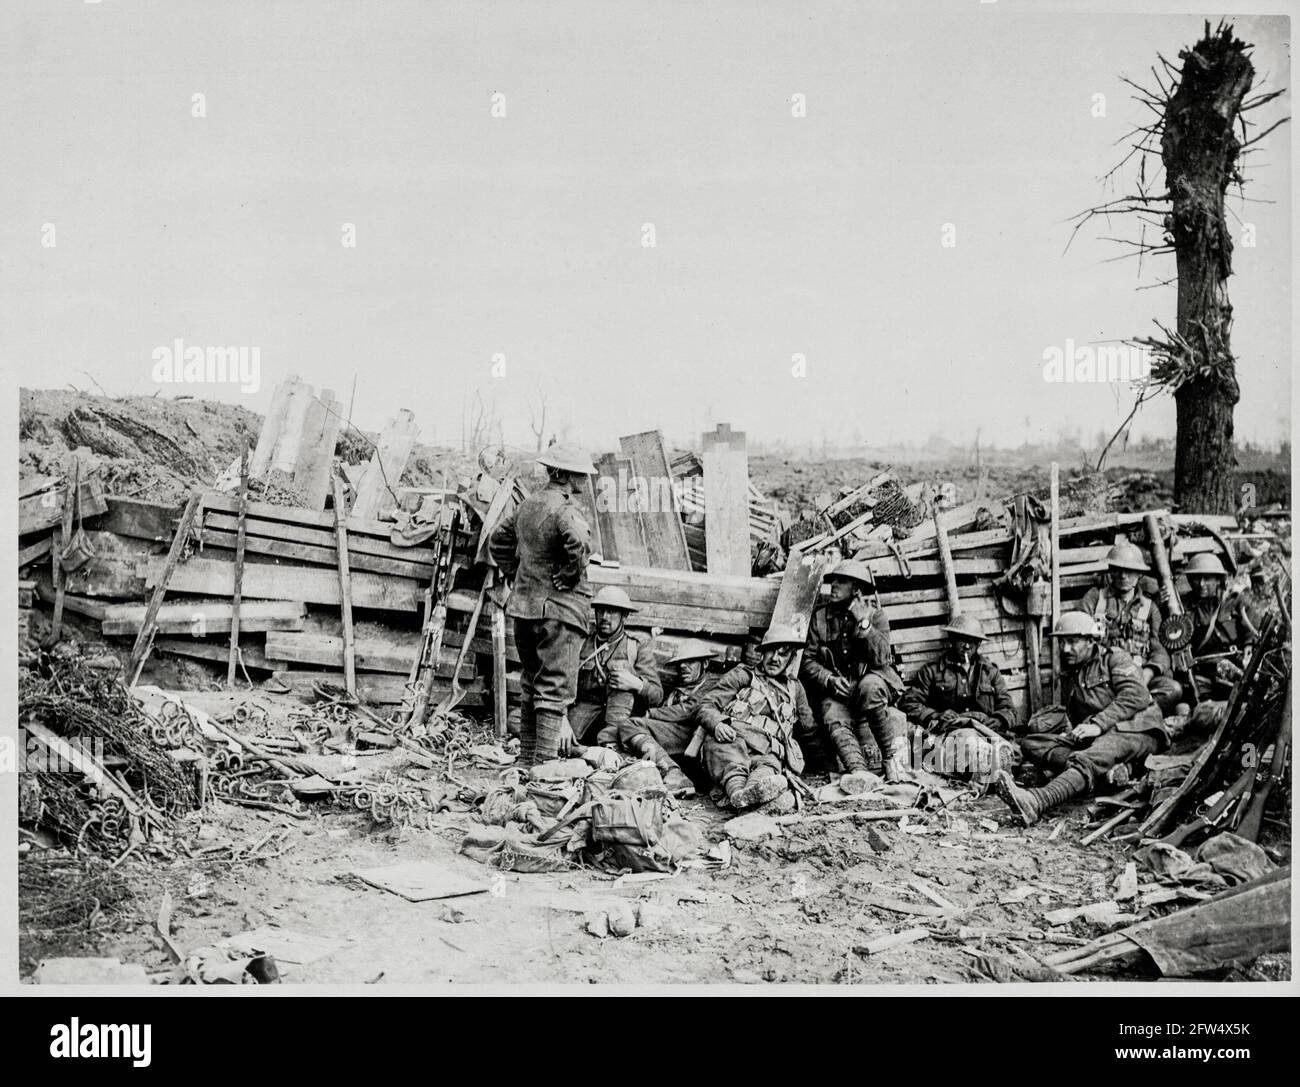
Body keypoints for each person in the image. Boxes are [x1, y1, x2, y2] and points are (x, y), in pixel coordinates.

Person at [994, 612, 1167, 826]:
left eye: (1073, 641)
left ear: (1091, 640)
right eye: (1062, 642)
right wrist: (1076, 732)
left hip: (1138, 728)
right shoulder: (1071, 676)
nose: (1066, 649)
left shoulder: (1114, 658)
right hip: (1102, 737)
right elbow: (1077, 718)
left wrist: (1097, 725)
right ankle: (1107, 775)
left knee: (1089, 756)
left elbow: (1136, 695)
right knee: (1031, 744)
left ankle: (1037, 801)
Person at [487, 446, 597, 768]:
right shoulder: (565, 510)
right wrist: (569, 574)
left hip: (524, 610)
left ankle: (526, 762)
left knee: (531, 683)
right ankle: (545, 769)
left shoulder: (527, 506)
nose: (584, 480)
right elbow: (579, 542)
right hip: (559, 613)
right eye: (579, 474)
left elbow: (498, 540)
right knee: (553, 689)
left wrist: (516, 576)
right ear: (561, 474)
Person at [801, 559, 909, 787]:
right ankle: (859, 772)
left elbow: (881, 658)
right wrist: (827, 679)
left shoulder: (876, 616)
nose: (834, 585)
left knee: (869, 688)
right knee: (831, 713)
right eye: (833, 581)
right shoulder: (820, 618)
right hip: (840, 689)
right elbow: (807, 661)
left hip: (873, 683)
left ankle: (890, 758)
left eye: (842, 581)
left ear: (856, 589)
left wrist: (864, 624)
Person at [693, 624, 816, 814]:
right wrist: (717, 724)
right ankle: (739, 795)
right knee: (730, 763)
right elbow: (704, 706)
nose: (775, 658)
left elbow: (809, 730)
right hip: (732, 740)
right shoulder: (742, 675)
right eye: (770, 652)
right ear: (762, 654)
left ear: (791, 658)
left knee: (767, 771)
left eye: (783, 654)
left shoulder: (795, 689)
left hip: (768, 751)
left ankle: (751, 796)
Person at [898, 613, 1018, 782]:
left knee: (1008, 748)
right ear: (952, 640)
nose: (967, 646)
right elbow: (909, 702)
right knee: (966, 741)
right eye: (962, 640)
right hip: (949, 732)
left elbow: (1009, 709)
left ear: (979, 644)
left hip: (986, 731)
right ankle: (989, 771)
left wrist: (998, 720)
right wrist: (935, 715)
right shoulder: (933, 671)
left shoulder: (990, 672)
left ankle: (992, 766)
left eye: (972, 641)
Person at [1073, 540, 1182, 714]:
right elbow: (1077, 637)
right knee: (1089, 699)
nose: (1123, 576)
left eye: (1129, 570)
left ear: (1139, 573)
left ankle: (1125, 712)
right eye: (1118, 569)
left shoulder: (1150, 607)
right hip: (1104, 677)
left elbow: (1160, 651)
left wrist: (1147, 673)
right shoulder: (1094, 598)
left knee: (1172, 690)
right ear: (1110, 571)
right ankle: (1133, 714)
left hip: (1138, 674)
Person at [616, 639, 720, 798]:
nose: (683, 666)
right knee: (619, 732)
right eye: (680, 663)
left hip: (693, 739)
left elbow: (690, 709)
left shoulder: (712, 684)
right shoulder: (679, 689)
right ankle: (654, 773)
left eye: (689, 662)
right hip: (673, 737)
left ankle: (673, 774)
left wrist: (651, 714)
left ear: (705, 663)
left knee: (631, 725)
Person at [567, 584, 664, 745]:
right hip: (582, 723)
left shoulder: (636, 646)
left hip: (620, 725)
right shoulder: (582, 643)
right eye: (600, 610)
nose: (605, 617)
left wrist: (636, 684)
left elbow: (657, 697)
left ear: (624, 615)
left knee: (622, 668)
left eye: (611, 611)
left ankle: (609, 746)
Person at [1179, 552, 1256, 697]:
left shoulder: (1231, 600)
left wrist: (1248, 644)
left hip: (1236, 658)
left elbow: (1250, 621)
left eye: (1207, 579)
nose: (1202, 584)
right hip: (1206, 666)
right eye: (1197, 578)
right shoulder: (1183, 605)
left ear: (1218, 579)